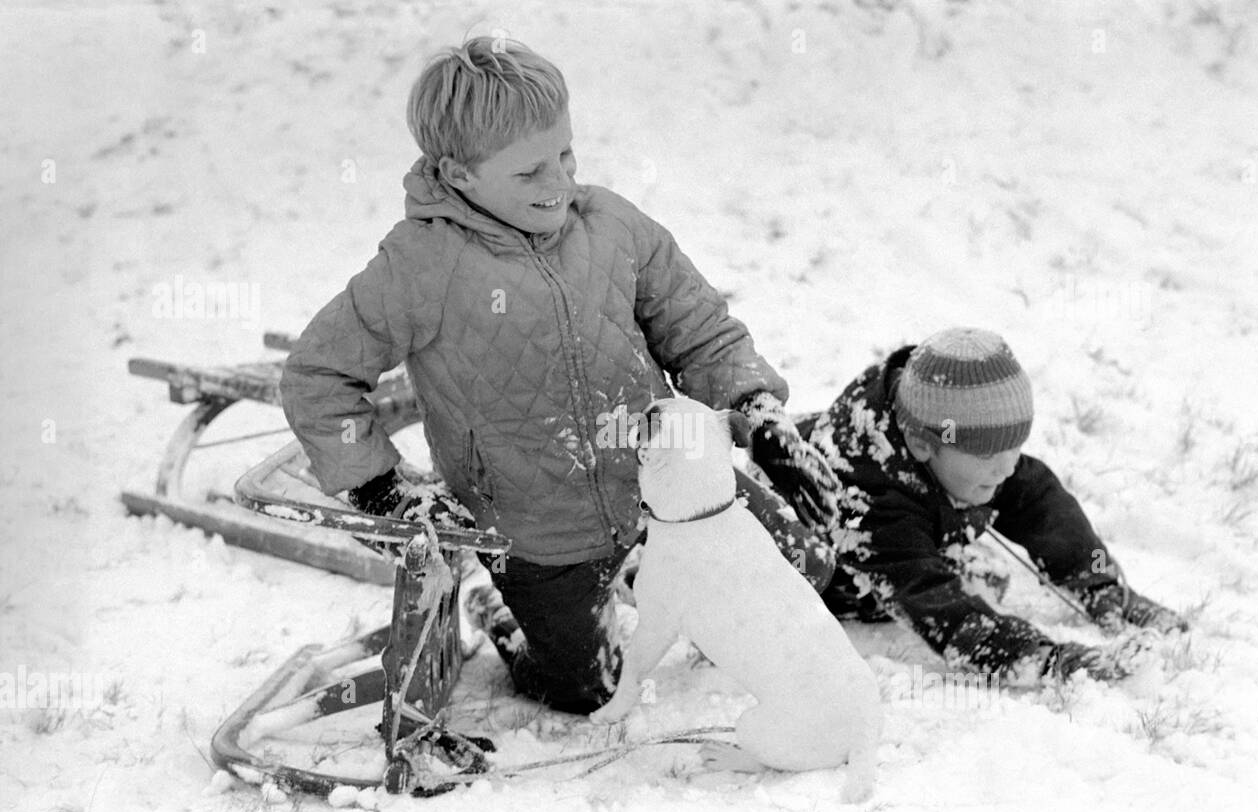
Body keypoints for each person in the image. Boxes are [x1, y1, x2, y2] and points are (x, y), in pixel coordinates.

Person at [278, 37, 840, 714]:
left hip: (672, 486)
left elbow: (697, 325)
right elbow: (317, 374)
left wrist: (756, 409)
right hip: (538, 532)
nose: (560, 184)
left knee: (810, 569)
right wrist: (380, 487)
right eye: (529, 172)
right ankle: (507, 617)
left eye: (565, 156)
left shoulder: (610, 224)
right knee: (593, 690)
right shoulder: (422, 265)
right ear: (458, 175)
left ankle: (653, 577)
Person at [787, 327, 1185, 682]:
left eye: (1014, 447)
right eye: (987, 455)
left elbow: (1041, 504)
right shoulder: (866, 504)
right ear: (923, 443)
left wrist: (1098, 584)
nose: (1007, 466)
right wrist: (1050, 661)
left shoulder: (959, 443)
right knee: (911, 581)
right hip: (799, 562)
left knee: (987, 553)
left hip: (906, 509)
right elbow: (944, 613)